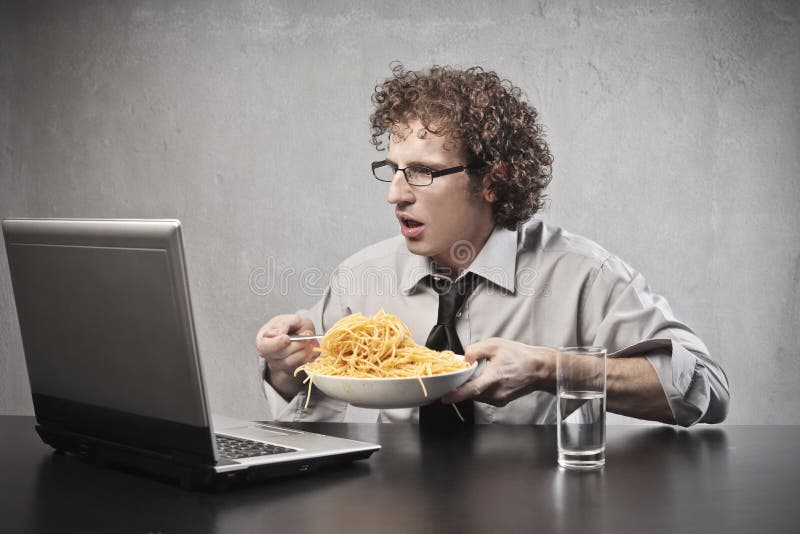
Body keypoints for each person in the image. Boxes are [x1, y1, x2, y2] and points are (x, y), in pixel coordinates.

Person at [256, 64, 729, 427]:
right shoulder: (359, 279)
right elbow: (313, 425)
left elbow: (705, 388)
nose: (395, 193)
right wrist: (285, 368)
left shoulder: (581, 274)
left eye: (422, 172)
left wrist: (550, 368)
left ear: (493, 182)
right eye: (393, 169)